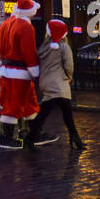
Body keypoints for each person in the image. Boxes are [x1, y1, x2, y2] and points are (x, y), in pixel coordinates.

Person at [0, 0, 43, 150]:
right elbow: (29, 52)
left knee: (28, 103)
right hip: (19, 72)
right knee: (14, 105)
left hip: (5, 70)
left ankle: (35, 134)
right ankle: (5, 138)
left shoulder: (6, 23)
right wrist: (35, 71)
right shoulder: (26, 27)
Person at [24, 18, 83, 151]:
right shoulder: (64, 47)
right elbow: (69, 66)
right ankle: (74, 139)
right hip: (59, 84)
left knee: (46, 112)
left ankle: (31, 138)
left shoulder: (43, 48)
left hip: (46, 83)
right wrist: (69, 77)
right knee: (65, 113)